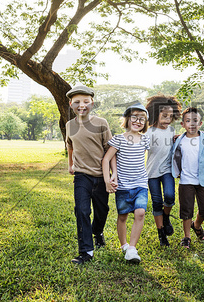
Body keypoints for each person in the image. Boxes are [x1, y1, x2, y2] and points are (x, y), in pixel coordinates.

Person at [65, 84, 113, 265]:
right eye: (77, 102)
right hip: (81, 175)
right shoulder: (69, 125)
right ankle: (86, 251)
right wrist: (70, 164)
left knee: (102, 211)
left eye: (86, 101)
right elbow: (70, 145)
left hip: (101, 176)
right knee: (82, 211)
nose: (81, 105)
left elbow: (110, 149)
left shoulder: (101, 123)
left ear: (92, 103)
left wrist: (112, 174)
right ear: (71, 104)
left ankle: (97, 231)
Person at [103, 102, 151, 264]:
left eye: (142, 119)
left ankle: (132, 248)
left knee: (140, 213)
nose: (138, 122)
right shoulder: (118, 139)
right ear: (127, 120)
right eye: (134, 118)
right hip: (123, 185)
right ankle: (124, 245)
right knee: (122, 216)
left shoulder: (145, 140)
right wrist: (111, 177)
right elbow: (107, 159)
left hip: (141, 184)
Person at [170, 107, 204, 249]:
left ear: (201, 123)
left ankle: (196, 225)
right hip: (185, 180)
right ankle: (186, 237)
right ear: (183, 124)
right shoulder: (179, 140)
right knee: (186, 209)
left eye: (195, 120)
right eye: (188, 121)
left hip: (202, 181)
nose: (192, 124)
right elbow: (174, 156)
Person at [145, 94, 182, 247]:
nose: (167, 119)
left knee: (169, 196)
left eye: (170, 116)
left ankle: (166, 217)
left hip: (167, 170)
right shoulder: (148, 133)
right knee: (156, 202)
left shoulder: (171, 131)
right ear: (155, 114)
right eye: (164, 116)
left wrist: (178, 138)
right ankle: (161, 234)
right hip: (151, 173)